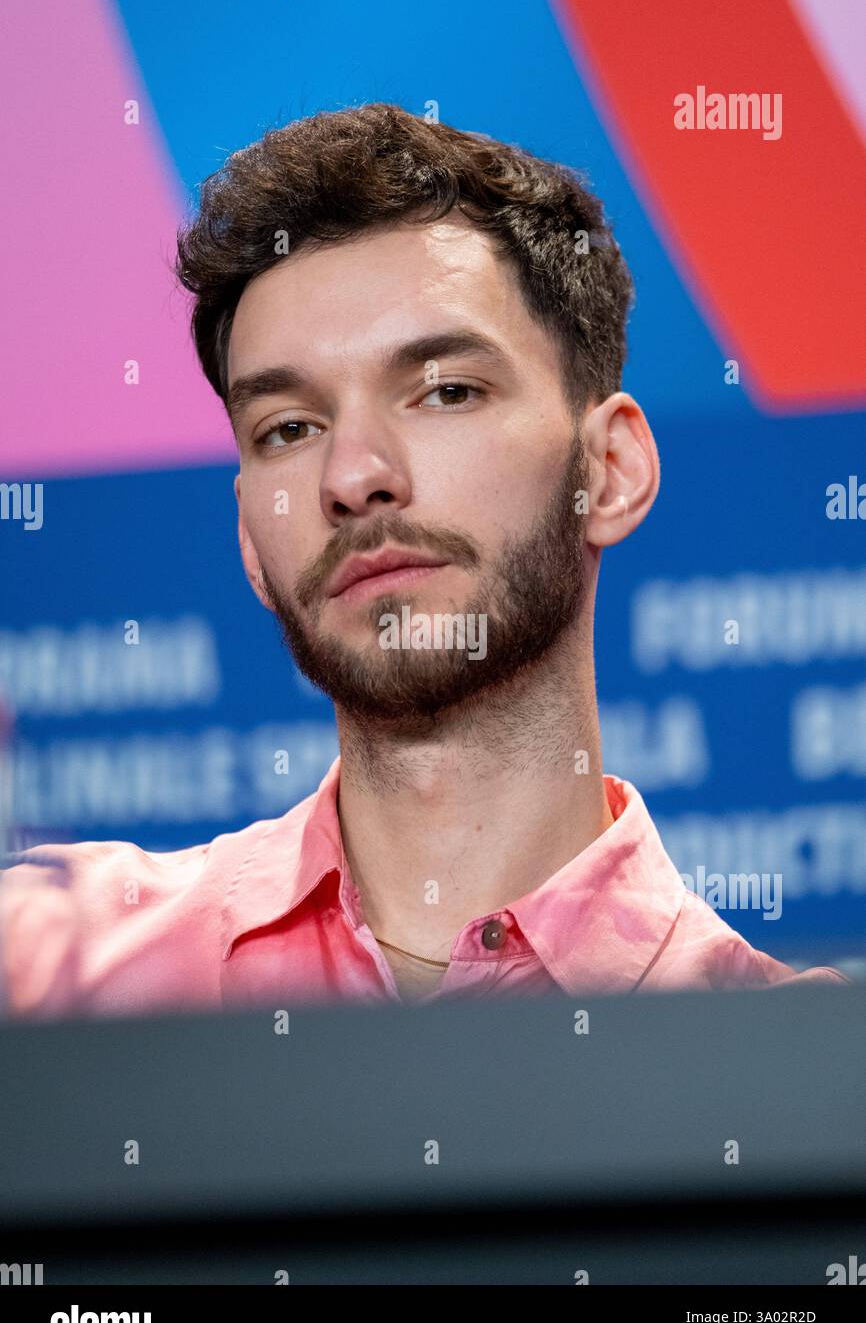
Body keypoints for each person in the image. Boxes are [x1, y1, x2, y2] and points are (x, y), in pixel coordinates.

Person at [0, 103, 848, 1017]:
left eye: (445, 392)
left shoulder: (802, 1061)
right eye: (290, 428)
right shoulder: (43, 975)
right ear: (250, 538)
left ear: (608, 472)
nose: (353, 477)